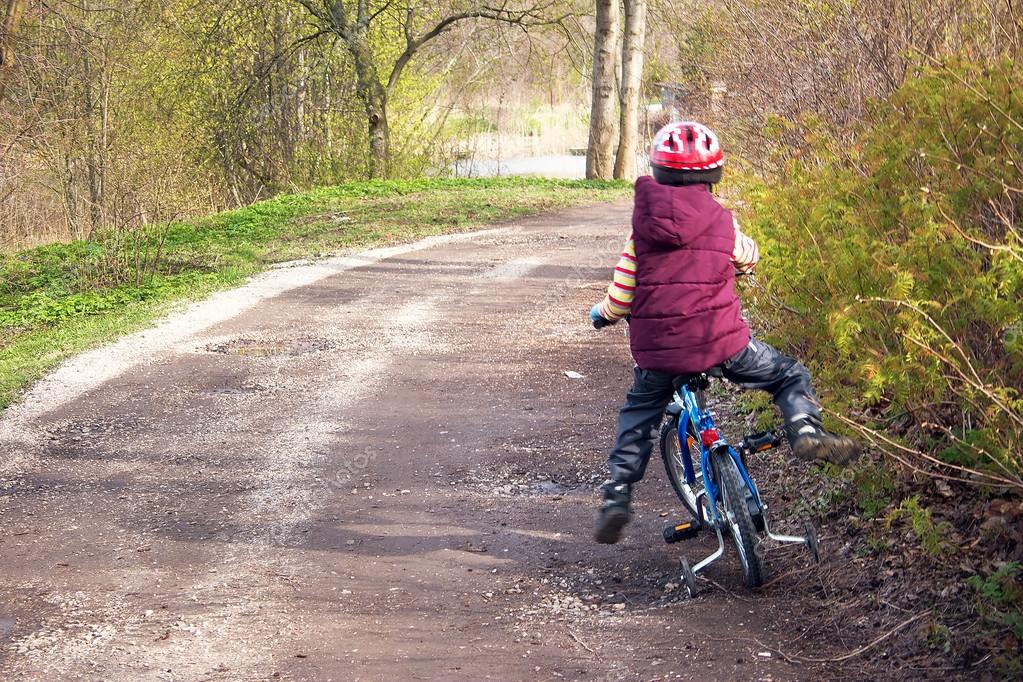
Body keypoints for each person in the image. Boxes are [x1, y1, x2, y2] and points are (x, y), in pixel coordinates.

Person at [589, 121, 860, 545]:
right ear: (714, 175)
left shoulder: (640, 233)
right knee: (788, 374)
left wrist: (602, 314)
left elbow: (622, 296)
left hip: (659, 355)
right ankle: (806, 430)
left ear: (658, 172)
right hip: (723, 344)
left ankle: (619, 492)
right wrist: (742, 266)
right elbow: (748, 255)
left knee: (638, 418)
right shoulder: (721, 223)